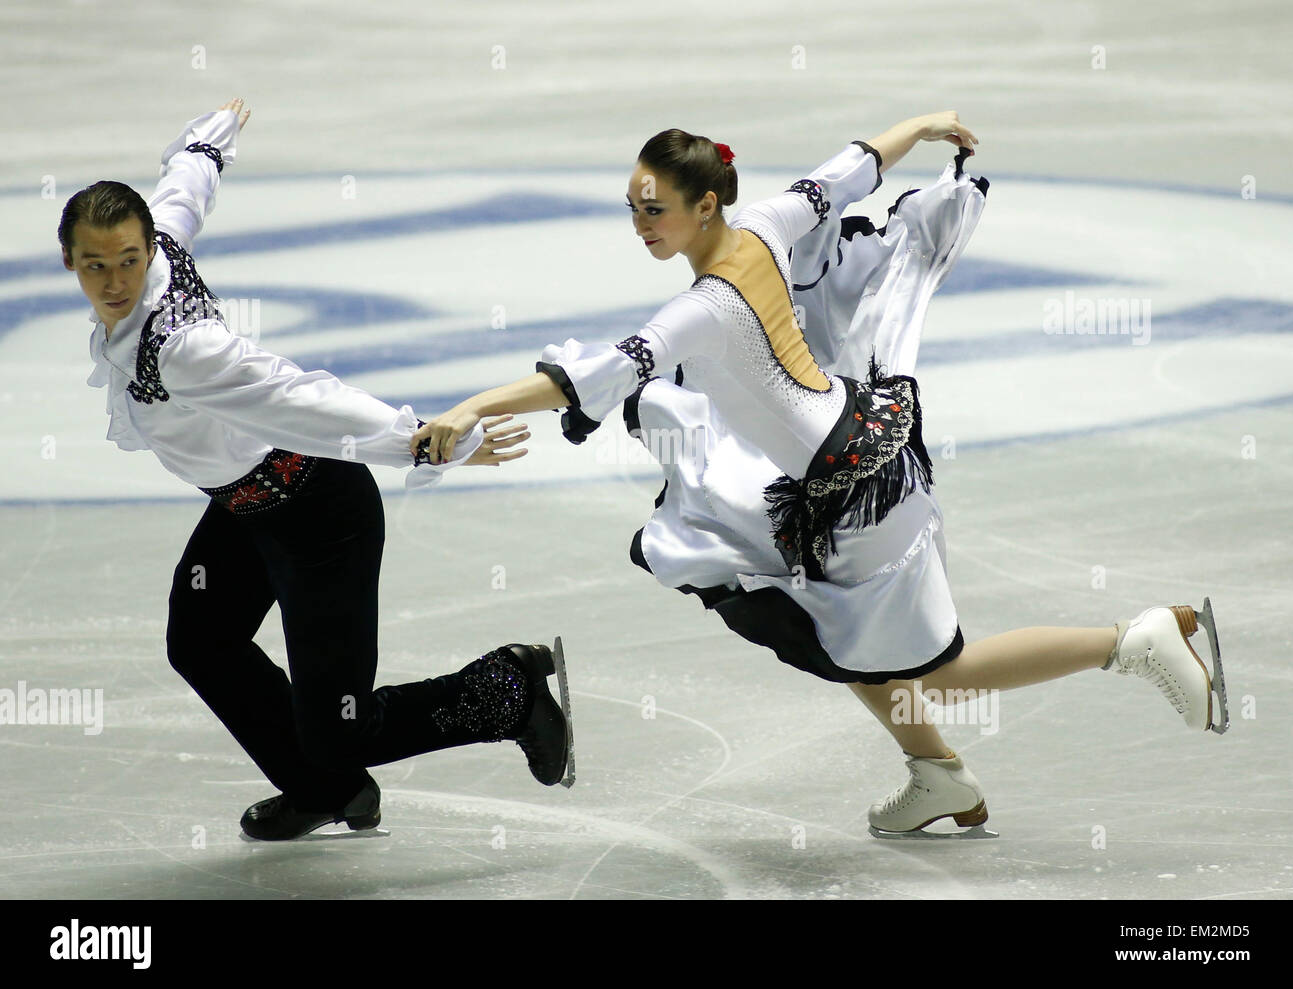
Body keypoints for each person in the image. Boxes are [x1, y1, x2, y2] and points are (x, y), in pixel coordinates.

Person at [412, 111, 1229, 838]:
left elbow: (589, 380)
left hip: (854, 493)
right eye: (631, 206)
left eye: (653, 207)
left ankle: (1133, 642)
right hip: (858, 445)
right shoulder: (767, 221)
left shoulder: (703, 306)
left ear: (705, 205)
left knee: (938, 669)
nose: (640, 224)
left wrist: (472, 405)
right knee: (833, 628)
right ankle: (937, 774)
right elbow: (853, 165)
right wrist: (927, 123)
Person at [62, 98, 575, 841]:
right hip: (246, 505)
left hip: (318, 512)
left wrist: (421, 439)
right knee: (202, 640)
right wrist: (206, 147)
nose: (115, 280)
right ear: (71, 261)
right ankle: (325, 789)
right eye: (95, 265)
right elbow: (181, 194)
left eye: (129, 261)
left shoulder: (182, 351)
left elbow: (303, 399)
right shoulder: (160, 241)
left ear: (149, 251)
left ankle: (507, 689)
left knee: (340, 723)